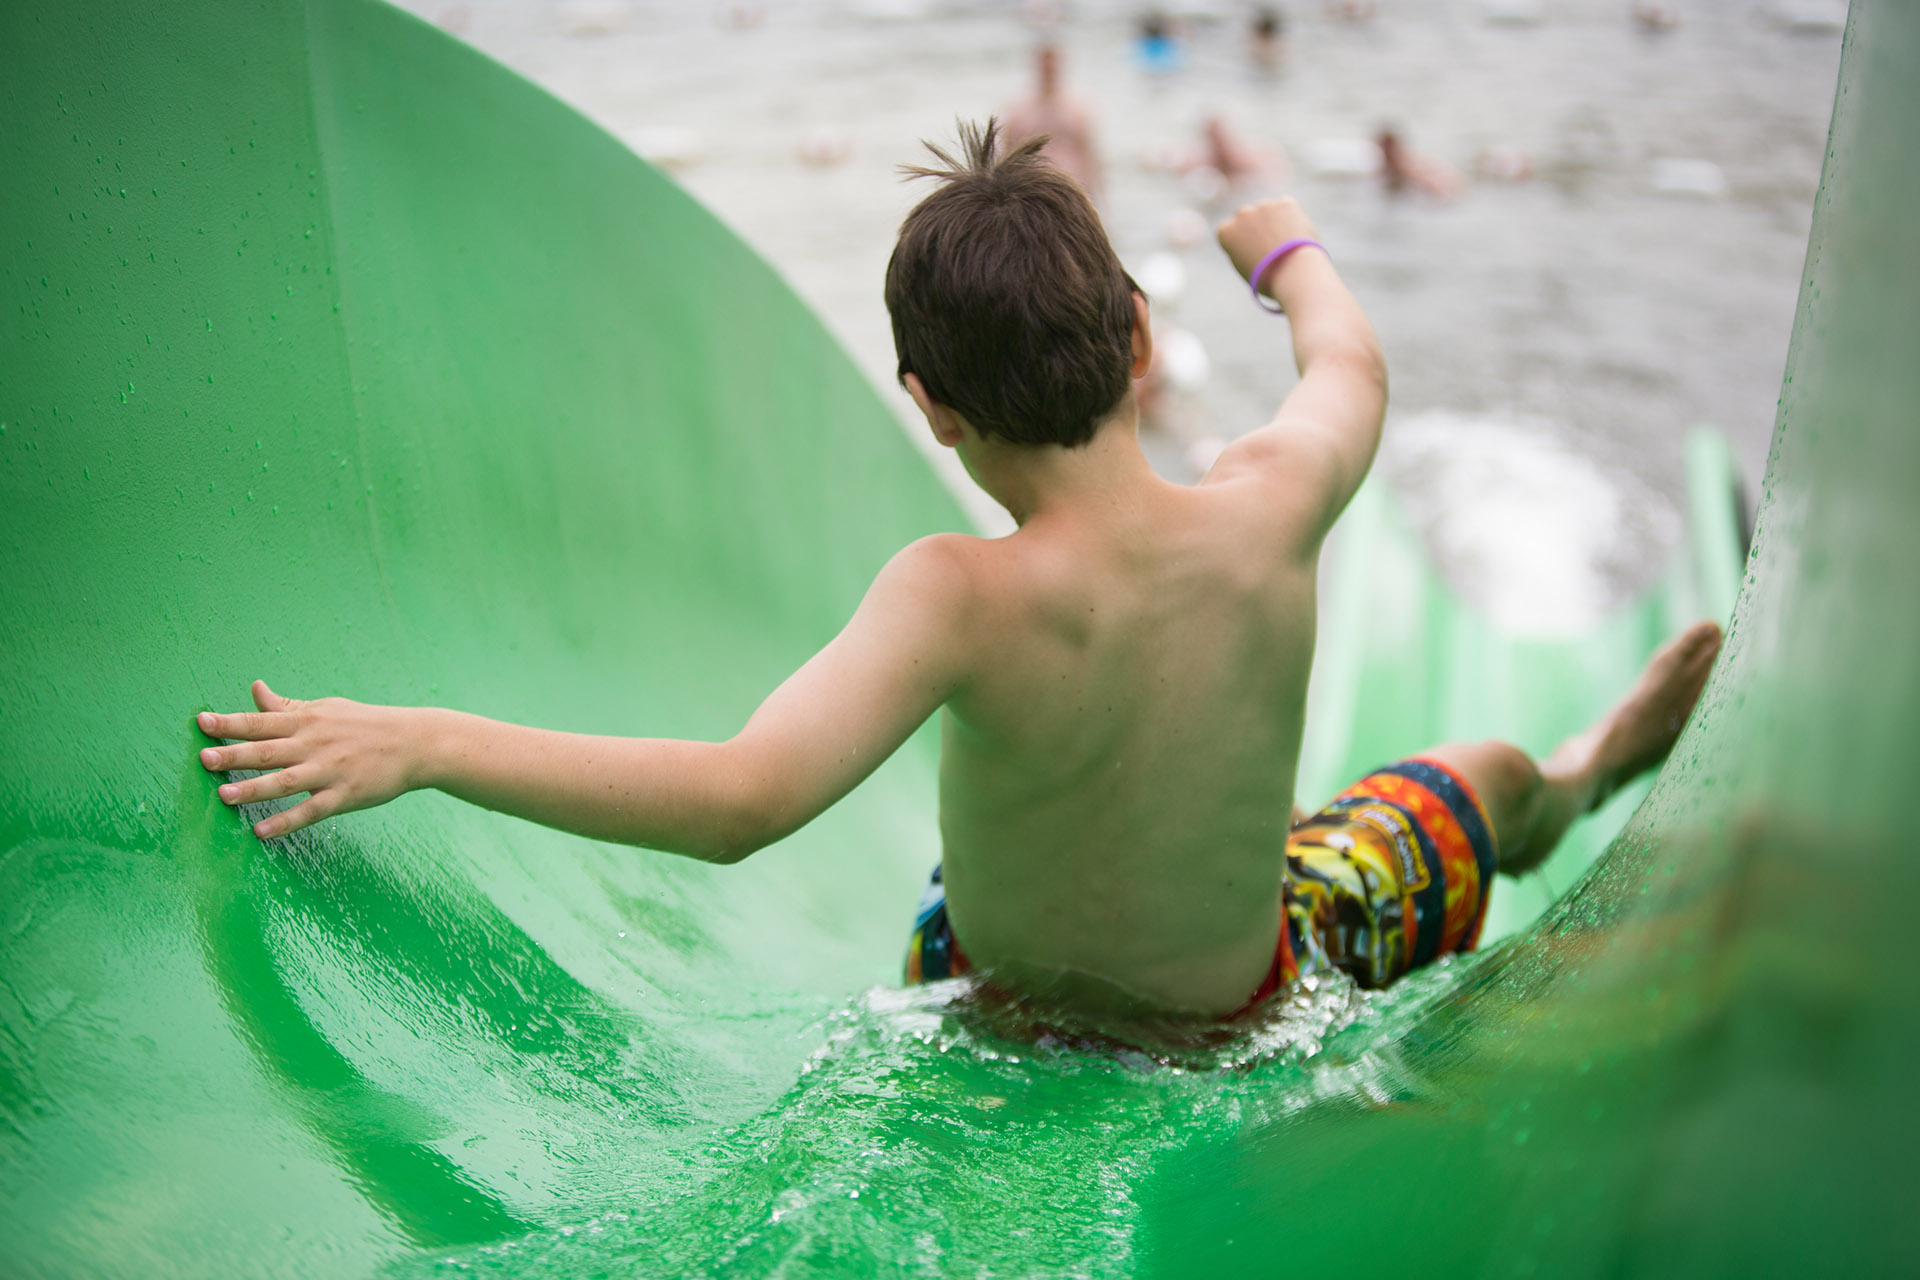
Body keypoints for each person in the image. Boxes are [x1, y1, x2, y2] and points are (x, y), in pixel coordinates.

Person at [196, 120, 1721, 1022]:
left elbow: (738, 804)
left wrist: (427, 743)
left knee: (971, 873)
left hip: (992, 1002)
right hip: (1249, 1001)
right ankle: (1583, 774)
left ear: (928, 407)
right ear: (1140, 339)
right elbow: (1352, 363)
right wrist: (1286, 248)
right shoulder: (1275, 499)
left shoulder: (954, 598)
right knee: (1478, 772)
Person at [1001, 45, 1103, 204]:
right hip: (1033, 192)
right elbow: (1006, 157)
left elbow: (1089, 155)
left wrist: (1098, 198)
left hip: (1072, 189)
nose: (1048, 71)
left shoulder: (1077, 108)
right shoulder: (1019, 111)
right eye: (1044, 66)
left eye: (1052, 66)